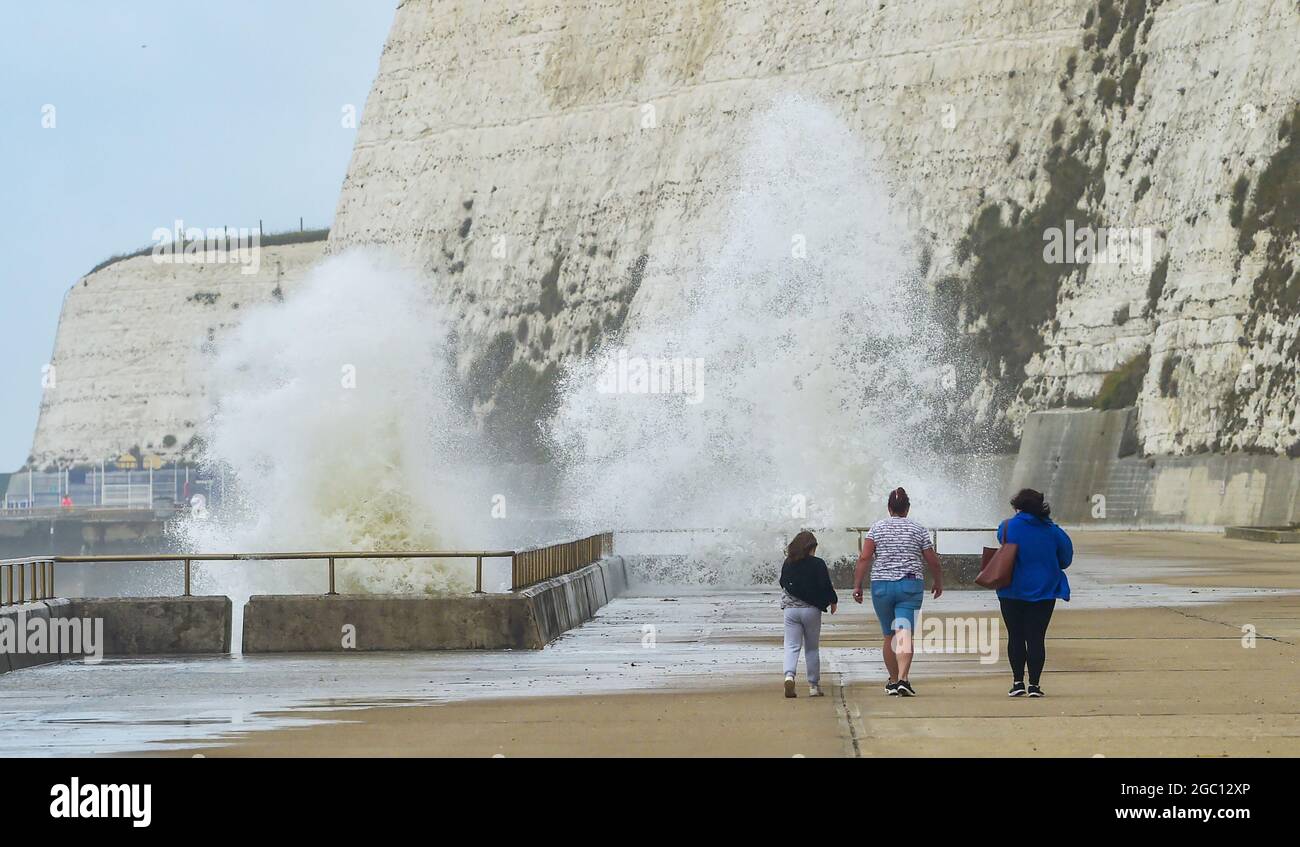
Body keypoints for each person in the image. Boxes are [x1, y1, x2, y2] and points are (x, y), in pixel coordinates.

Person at [852, 487, 943, 696]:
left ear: (889, 508)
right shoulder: (918, 529)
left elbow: (864, 558)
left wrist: (857, 585)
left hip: (881, 586)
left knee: (888, 635)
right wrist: (938, 581)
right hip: (910, 586)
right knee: (904, 632)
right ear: (907, 508)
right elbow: (932, 561)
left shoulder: (876, 528)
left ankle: (893, 681)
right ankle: (903, 678)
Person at [997, 488, 1072, 697]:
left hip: (1011, 591)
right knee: (1036, 638)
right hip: (1044, 592)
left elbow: (1002, 543)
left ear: (1017, 507)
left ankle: (1018, 682)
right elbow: (1066, 559)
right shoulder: (1054, 531)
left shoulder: (1007, 526)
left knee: (1016, 636)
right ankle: (1035, 686)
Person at [779, 530, 838, 698]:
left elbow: (782, 582)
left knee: (791, 646)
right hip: (811, 610)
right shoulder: (818, 563)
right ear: (811, 547)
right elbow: (826, 585)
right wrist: (833, 601)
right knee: (811, 648)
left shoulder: (788, 562)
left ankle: (789, 676)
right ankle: (813, 686)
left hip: (790, 610)